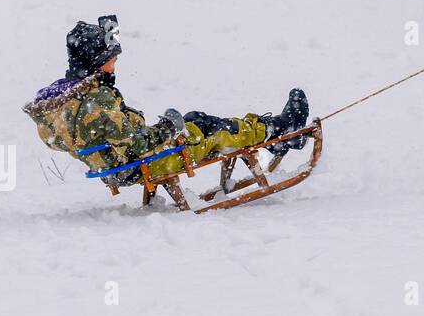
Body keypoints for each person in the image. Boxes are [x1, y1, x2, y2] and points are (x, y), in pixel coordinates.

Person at [22, 15, 311, 188]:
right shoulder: (96, 101)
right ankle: (280, 133)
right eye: (111, 60)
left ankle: (273, 132)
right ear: (97, 63)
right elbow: (134, 146)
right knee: (207, 127)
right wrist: (169, 128)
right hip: (146, 162)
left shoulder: (66, 100)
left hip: (116, 168)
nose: (116, 64)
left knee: (196, 118)